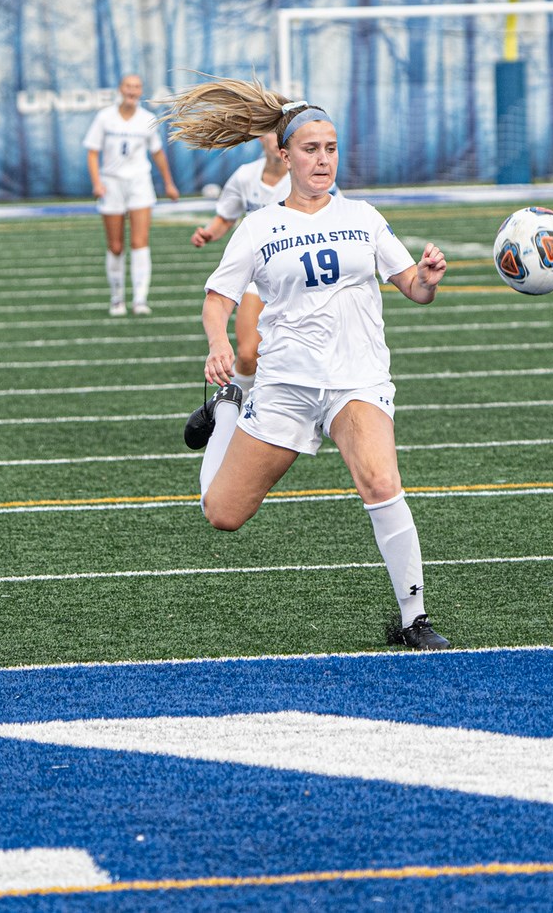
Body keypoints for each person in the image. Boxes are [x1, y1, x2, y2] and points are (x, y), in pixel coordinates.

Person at [164, 77, 452, 649]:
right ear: (285, 154)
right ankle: (227, 410)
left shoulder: (365, 216)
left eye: (331, 148)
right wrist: (220, 344)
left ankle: (413, 618)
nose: (323, 160)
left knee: (381, 480)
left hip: (356, 381)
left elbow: (411, 289)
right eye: (311, 149)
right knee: (222, 513)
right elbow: (216, 299)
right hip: (286, 384)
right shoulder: (260, 225)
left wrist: (426, 278)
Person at [188, 132, 291, 398]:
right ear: (260, 137)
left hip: (298, 274)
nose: (278, 138)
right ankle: (239, 407)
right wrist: (210, 232)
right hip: (258, 276)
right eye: (272, 131)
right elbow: (226, 216)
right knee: (246, 354)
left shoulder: (305, 177)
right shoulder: (245, 176)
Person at [83, 74, 181, 316]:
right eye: (128, 86)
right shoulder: (105, 118)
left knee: (139, 242)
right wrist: (97, 182)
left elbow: (157, 153)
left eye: (137, 87)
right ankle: (117, 298)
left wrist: (169, 183)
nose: (132, 90)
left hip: (139, 183)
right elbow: (93, 152)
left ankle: (140, 299)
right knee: (116, 246)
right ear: (120, 89)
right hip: (112, 183)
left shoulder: (147, 119)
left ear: (141, 91)